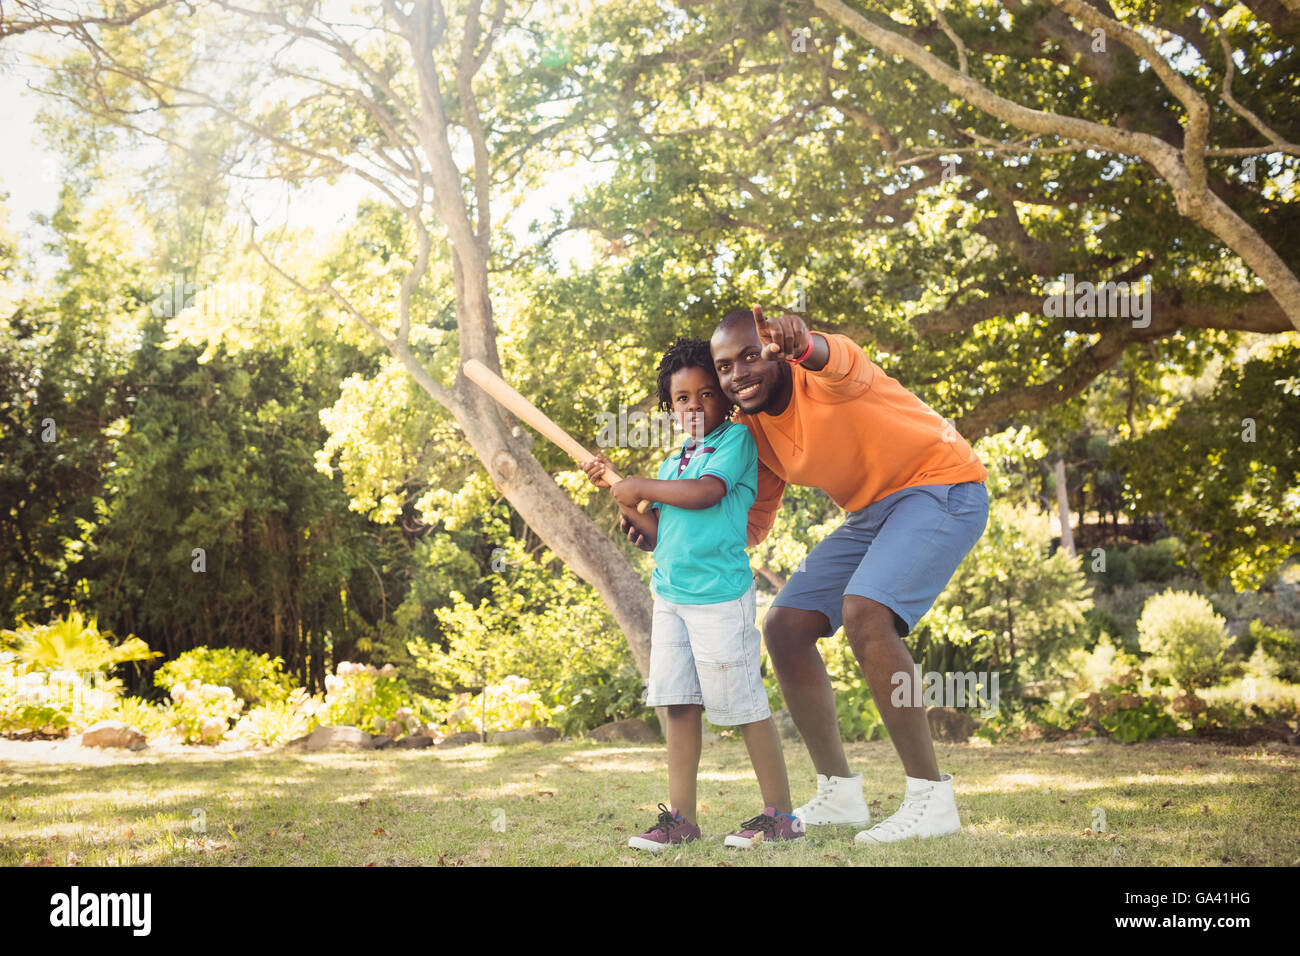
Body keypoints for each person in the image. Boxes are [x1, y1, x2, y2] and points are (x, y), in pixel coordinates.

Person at [621, 308, 989, 844]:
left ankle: (930, 797)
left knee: (865, 612)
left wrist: (800, 342)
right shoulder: (751, 431)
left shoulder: (824, 372)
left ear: (776, 348)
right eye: (724, 366)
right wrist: (661, 531)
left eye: (752, 354)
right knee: (786, 625)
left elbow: (829, 354)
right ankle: (839, 793)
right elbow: (743, 527)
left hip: (944, 487)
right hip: (871, 513)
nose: (738, 373)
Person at [581, 336, 802, 852]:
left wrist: (639, 486)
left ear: (724, 398)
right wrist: (619, 494)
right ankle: (681, 818)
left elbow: (707, 494)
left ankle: (781, 817)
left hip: (719, 598)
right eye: (683, 398)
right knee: (678, 704)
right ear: (670, 406)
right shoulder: (675, 459)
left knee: (744, 704)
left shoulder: (735, 443)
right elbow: (659, 535)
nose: (696, 406)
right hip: (671, 597)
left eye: (707, 394)